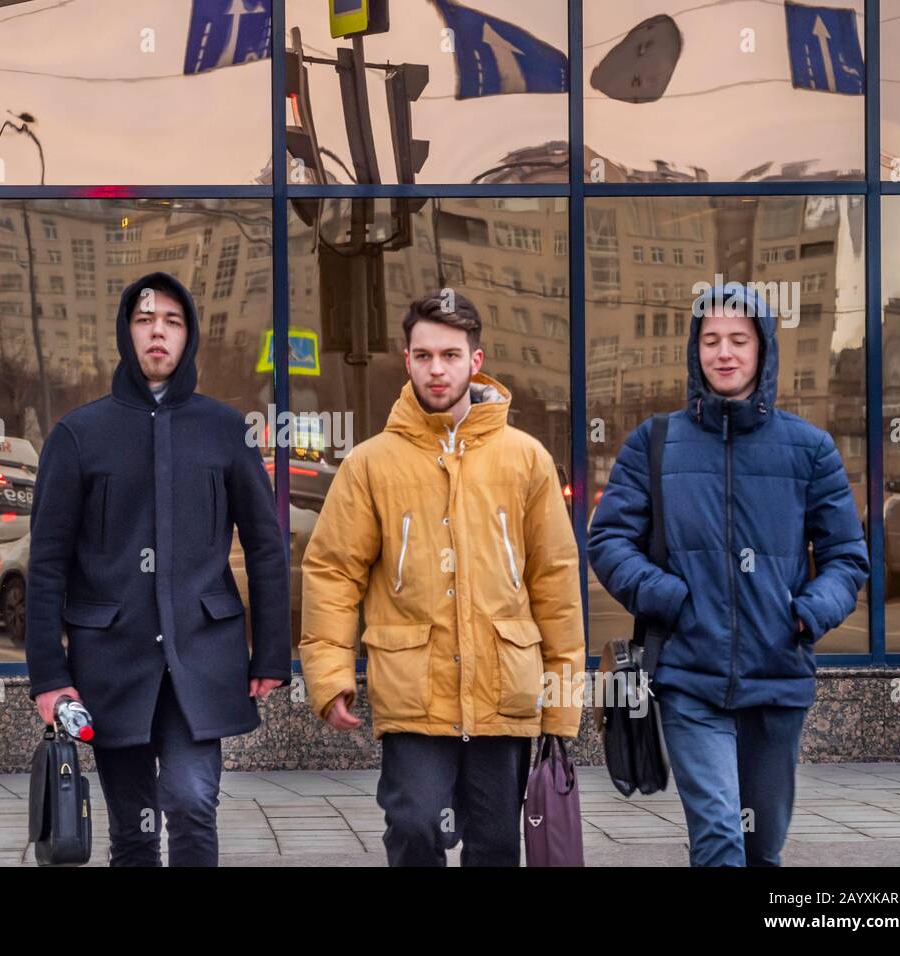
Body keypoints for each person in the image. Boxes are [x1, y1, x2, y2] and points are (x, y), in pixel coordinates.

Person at [299, 291, 585, 867]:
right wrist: (328, 674)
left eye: (451, 355)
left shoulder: (526, 460)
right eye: (424, 355)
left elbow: (554, 580)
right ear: (406, 360)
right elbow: (332, 572)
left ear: (474, 362)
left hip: (503, 688)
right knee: (413, 825)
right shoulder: (371, 464)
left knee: (497, 844)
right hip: (413, 686)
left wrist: (562, 699)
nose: (437, 369)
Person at [587, 288, 869, 867]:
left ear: (763, 349)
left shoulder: (810, 449)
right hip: (690, 676)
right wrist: (668, 597)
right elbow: (609, 540)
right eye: (711, 340)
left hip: (778, 677)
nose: (724, 353)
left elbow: (847, 557)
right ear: (695, 351)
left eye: (739, 340)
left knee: (760, 848)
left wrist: (806, 612)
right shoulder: (654, 442)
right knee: (718, 836)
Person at [25, 270, 291, 867]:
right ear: (127, 333)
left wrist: (272, 652)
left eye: (171, 321)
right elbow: (45, 567)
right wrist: (48, 675)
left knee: (193, 802)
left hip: (202, 653)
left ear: (189, 334)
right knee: (134, 831)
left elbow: (266, 547)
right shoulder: (77, 435)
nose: (158, 333)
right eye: (145, 321)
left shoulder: (226, 430)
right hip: (111, 663)